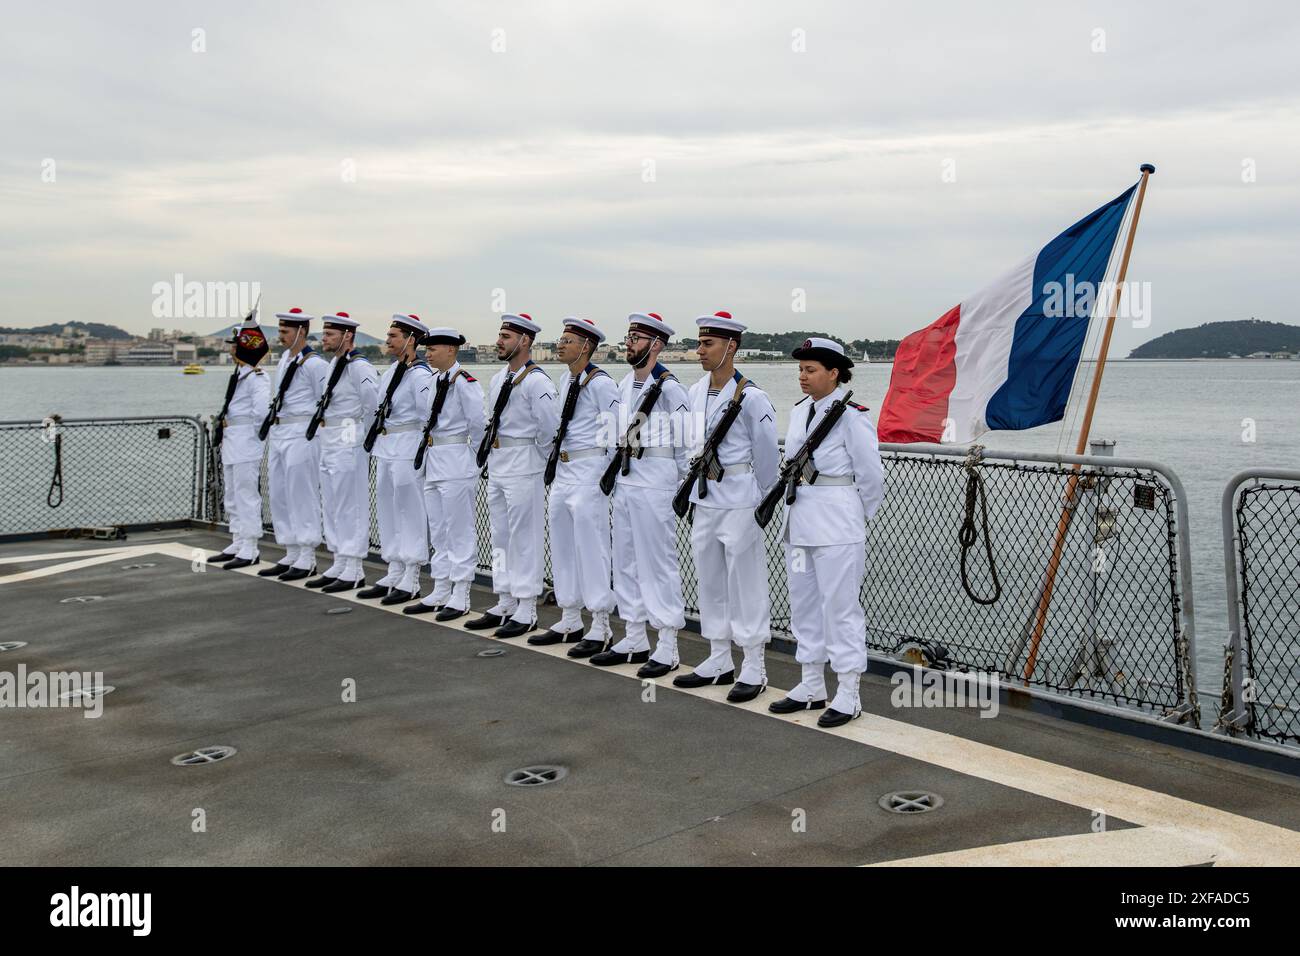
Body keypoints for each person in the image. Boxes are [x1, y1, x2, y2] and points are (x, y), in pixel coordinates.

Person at [766, 338, 883, 727]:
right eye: (800, 369)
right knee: (804, 607)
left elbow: (870, 475)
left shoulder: (852, 416)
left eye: (811, 369)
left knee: (841, 609)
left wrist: (854, 516)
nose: (803, 376)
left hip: (837, 524)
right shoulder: (801, 412)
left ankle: (848, 693)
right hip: (799, 521)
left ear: (834, 373)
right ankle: (811, 683)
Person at [673, 312, 780, 703]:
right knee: (710, 579)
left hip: (738, 496)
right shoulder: (694, 391)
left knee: (745, 582)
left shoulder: (753, 397)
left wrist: (761, 495)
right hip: (704, 496)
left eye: (708, 344)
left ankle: (754, 665)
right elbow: (687, 444)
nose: (700, 350)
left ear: (730, 347)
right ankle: (719, 657)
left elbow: (767, 455)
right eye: (699, 343)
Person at [595, 312, 692, 674]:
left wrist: (674, 480)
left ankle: (667, 643)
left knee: (658, 563)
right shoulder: (623, 385)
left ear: (656, 345)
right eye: (629, 337)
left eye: (637, 339)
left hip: (655, 478)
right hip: (626, 479)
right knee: (626, 560)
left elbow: (687, 444)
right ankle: (635, 635)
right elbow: (612, 435)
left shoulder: (671, 389)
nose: (629, 344)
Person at [465, 313, 560, 638]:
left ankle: (527, 607)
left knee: (525, 537)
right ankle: (504, 597)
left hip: (524, 463)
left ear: (525, 341)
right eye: (500, 334)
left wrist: (540, 458)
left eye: (506, 336)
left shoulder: (537, 382)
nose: (499, 341)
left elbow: (549, 428)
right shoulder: (497, 379)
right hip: (500, 461)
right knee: (500, 535)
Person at [530, 317, 620, 658]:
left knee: (591, 546)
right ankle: (570, 616)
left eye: (567, 340)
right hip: (566, 469)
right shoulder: (568, 381)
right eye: (561, 339)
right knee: (563, 543)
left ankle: (600, 624)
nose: (560, 344)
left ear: (586, 346)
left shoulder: (601, 384)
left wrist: (605, 476)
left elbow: (615, 432)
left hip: (589, 467)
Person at [404, 327, 485, 621]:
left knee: (459, 530)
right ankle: (440, 587)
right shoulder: (433, 380)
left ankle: (461, 593)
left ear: (451, 349)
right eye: (427, 348)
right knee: (438, 530)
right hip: (434, 458)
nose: (428, 353)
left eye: (434, 348)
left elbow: (477, 424)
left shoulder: (465, 382)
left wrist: (475, 460)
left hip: (455, 460)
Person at [357, 314, 434, 605]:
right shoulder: (392, 372)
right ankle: (394, 568)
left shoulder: (421, 375)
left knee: (410, 510)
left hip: (407, 445)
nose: (387, 340)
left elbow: (427, 415)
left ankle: (412, 575)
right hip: (387, 445)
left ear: (411, 340)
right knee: (389, 507)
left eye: (393, 336)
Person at [305, 312, 379, 593]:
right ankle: (338, 559)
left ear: (347, 336)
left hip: (349, 438)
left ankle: (354, 568)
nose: (324, 339)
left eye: (329, 335)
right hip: (330, 438)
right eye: (324, 334)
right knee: (333, 503)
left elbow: (372, 403)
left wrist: (366, 436)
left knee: (351, 505)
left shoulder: (359, 367)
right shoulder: (335, 363)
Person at [257, 307, 330, 581]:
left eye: (285, 331)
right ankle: (290, 549)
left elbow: (325, 400)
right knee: (279, 493)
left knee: (302, 493)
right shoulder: (285, 359)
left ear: (301, 331)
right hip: (280, 430)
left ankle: (308, 555)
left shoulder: (315, 364)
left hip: (301, 432)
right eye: (280, 331)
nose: (281, 336)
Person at [207, 312, 271, 569]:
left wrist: (254, 438)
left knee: (246, 494)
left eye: (235, 345)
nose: (232, 349)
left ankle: (250, 546)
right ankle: (237, 539)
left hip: (245, 440)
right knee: (232, 493)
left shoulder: (257, 376)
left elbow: (261, 412)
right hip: (232, 439)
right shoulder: (238, 374)